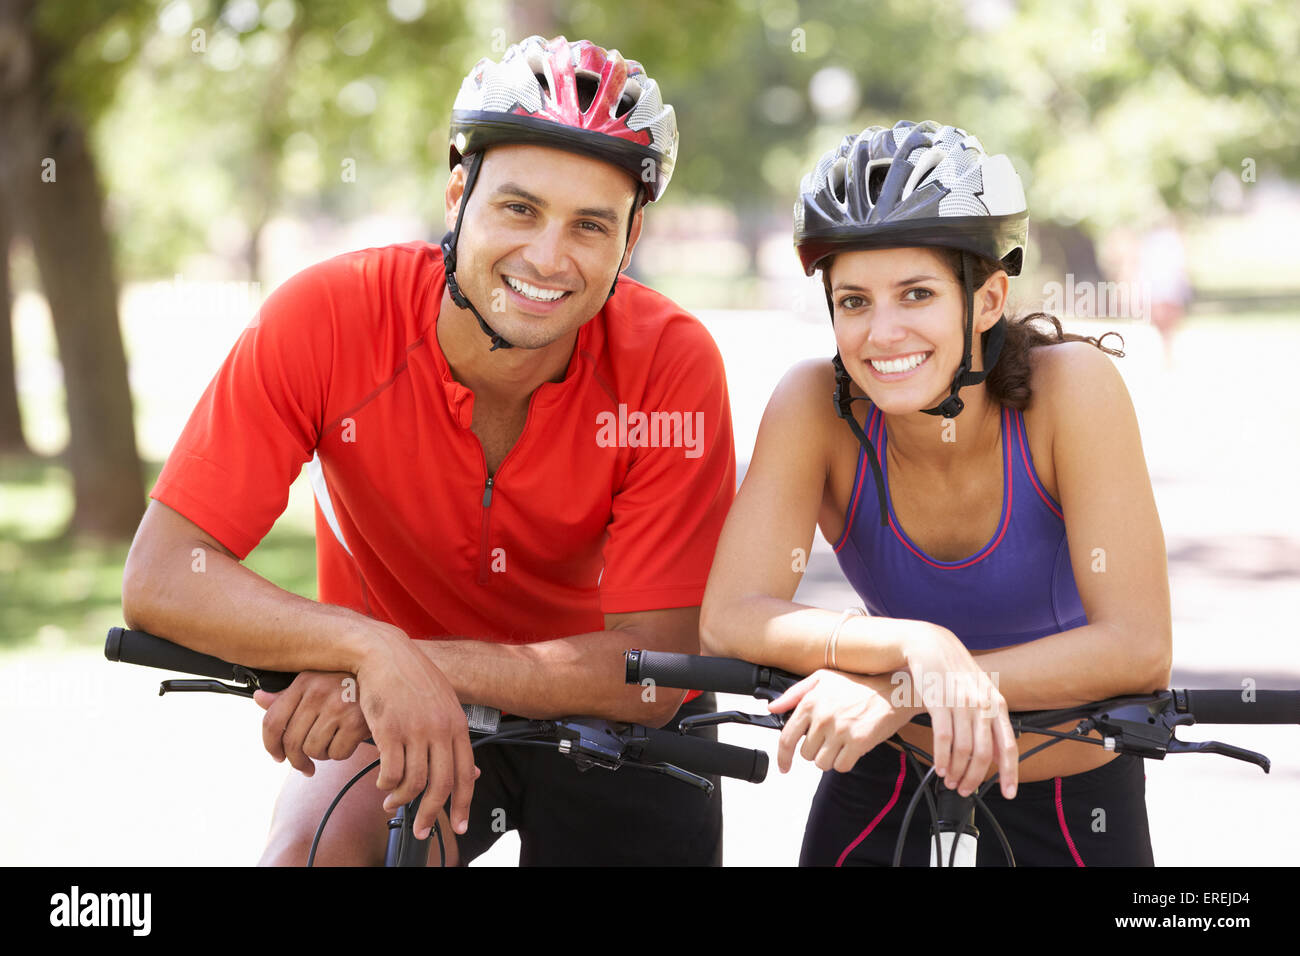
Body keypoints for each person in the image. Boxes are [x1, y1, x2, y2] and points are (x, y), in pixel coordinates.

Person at [120, 35, 736, 866]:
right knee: (314, 854)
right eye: (518, 208)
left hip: (613, 719)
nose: (549, 257)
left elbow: (654, 670)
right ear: (457, 197)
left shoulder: (670, 363)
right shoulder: (328, 318)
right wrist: (369, 648)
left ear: (627, 247)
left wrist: (413, 663)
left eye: (590, 226)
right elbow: (163, 576)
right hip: (388, 705)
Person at [700, 120, 1171, 865]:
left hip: (1066, 790)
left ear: (985, 301)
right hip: (890, 776)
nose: (882, 332)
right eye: (853, 301)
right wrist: (914, 646)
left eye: (915, 294)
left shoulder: (1074, 391)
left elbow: (1139, 648)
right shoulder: (813, 405)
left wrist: (903, 691)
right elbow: (729, 619)